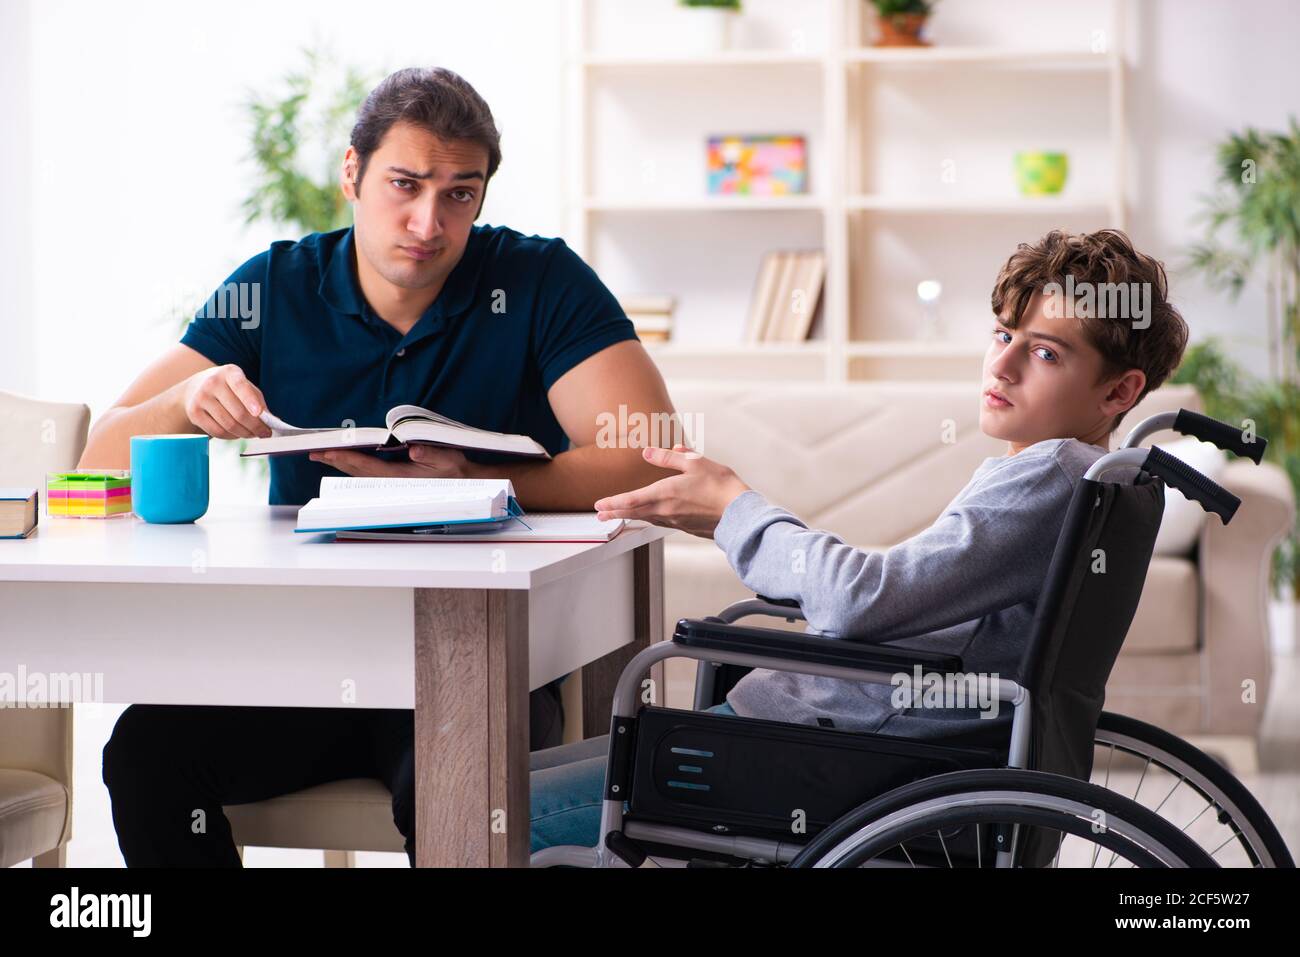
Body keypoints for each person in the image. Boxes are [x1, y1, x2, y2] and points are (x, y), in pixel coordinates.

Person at [83, 66, 676, 866]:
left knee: (452, 785)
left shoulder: (538, 281)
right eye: (405, 184)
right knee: (145, 754)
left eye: (460, 193)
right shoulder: (273, 286)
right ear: (353, 174)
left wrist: (481, 485)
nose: (429, 221)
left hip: (472, 661)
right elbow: (98, 458)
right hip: (305, 663)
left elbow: (649, 452)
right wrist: (189, 396)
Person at [527, 228, 1190, 854]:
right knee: (511, 776)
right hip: (823, 738)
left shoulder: (1049, 476)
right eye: (1003, 333)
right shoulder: (1082, 476)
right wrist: (728, 518)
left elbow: (859, 597)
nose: (1003, 364)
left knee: (498, 805)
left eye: (1046, 352)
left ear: (1120, 390)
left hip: (823, 755)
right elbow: (893, 598)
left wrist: (734, 507)